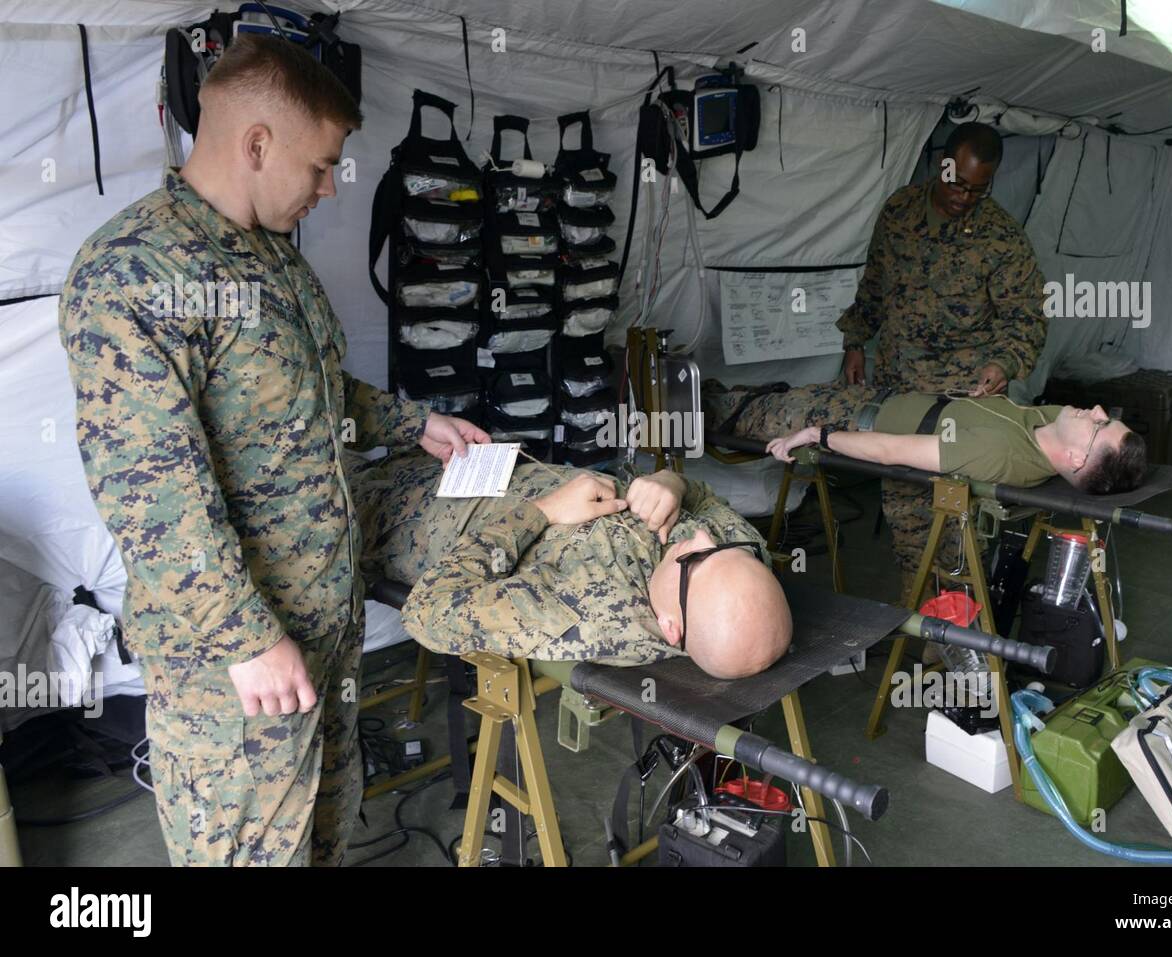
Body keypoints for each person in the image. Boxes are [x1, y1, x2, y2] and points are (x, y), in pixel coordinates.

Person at [58, 35, 489, 866]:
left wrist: (413, 425)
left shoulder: (275, 263)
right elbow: (150, 492)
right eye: (322, 165)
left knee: (321, 841)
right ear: (256, 143)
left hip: (321, 636)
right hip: (237, 673)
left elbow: (316, 395)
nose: (330, 188)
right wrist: (243, 637)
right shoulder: (130, 271)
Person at [346, 448, 793, 680]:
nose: (700, 536)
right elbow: (706, 501)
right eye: (719, 546)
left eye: (695, 556)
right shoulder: (737, 554)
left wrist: (543, 511)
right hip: (475, 470)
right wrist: (667, 482)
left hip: (398, 512)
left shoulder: (575, 612)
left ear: (671, 626)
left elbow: (428, 610)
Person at [836, 121, 1048, 597]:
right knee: (905, 509)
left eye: (978, 189)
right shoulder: (899, 212)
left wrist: (1004, 365)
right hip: (900, 390)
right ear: (941, 165)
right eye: (957, 183)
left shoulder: (1002, 239)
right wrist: (855, 341)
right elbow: (874, 285)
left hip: (964, 397)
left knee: (959, 515)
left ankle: (959, 623)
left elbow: (1026, 318)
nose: (964, 197)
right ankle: (922, 615)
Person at [705, 380, 1147, 494]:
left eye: (1101, 425)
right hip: (873, 399)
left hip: (851, 420)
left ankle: (657, 405)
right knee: (746, 399)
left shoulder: (999, 454)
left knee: (732, 413)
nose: (1098, 412)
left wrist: (815, 434)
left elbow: (890, 450)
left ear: (1074, 458)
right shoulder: (1049, 427)